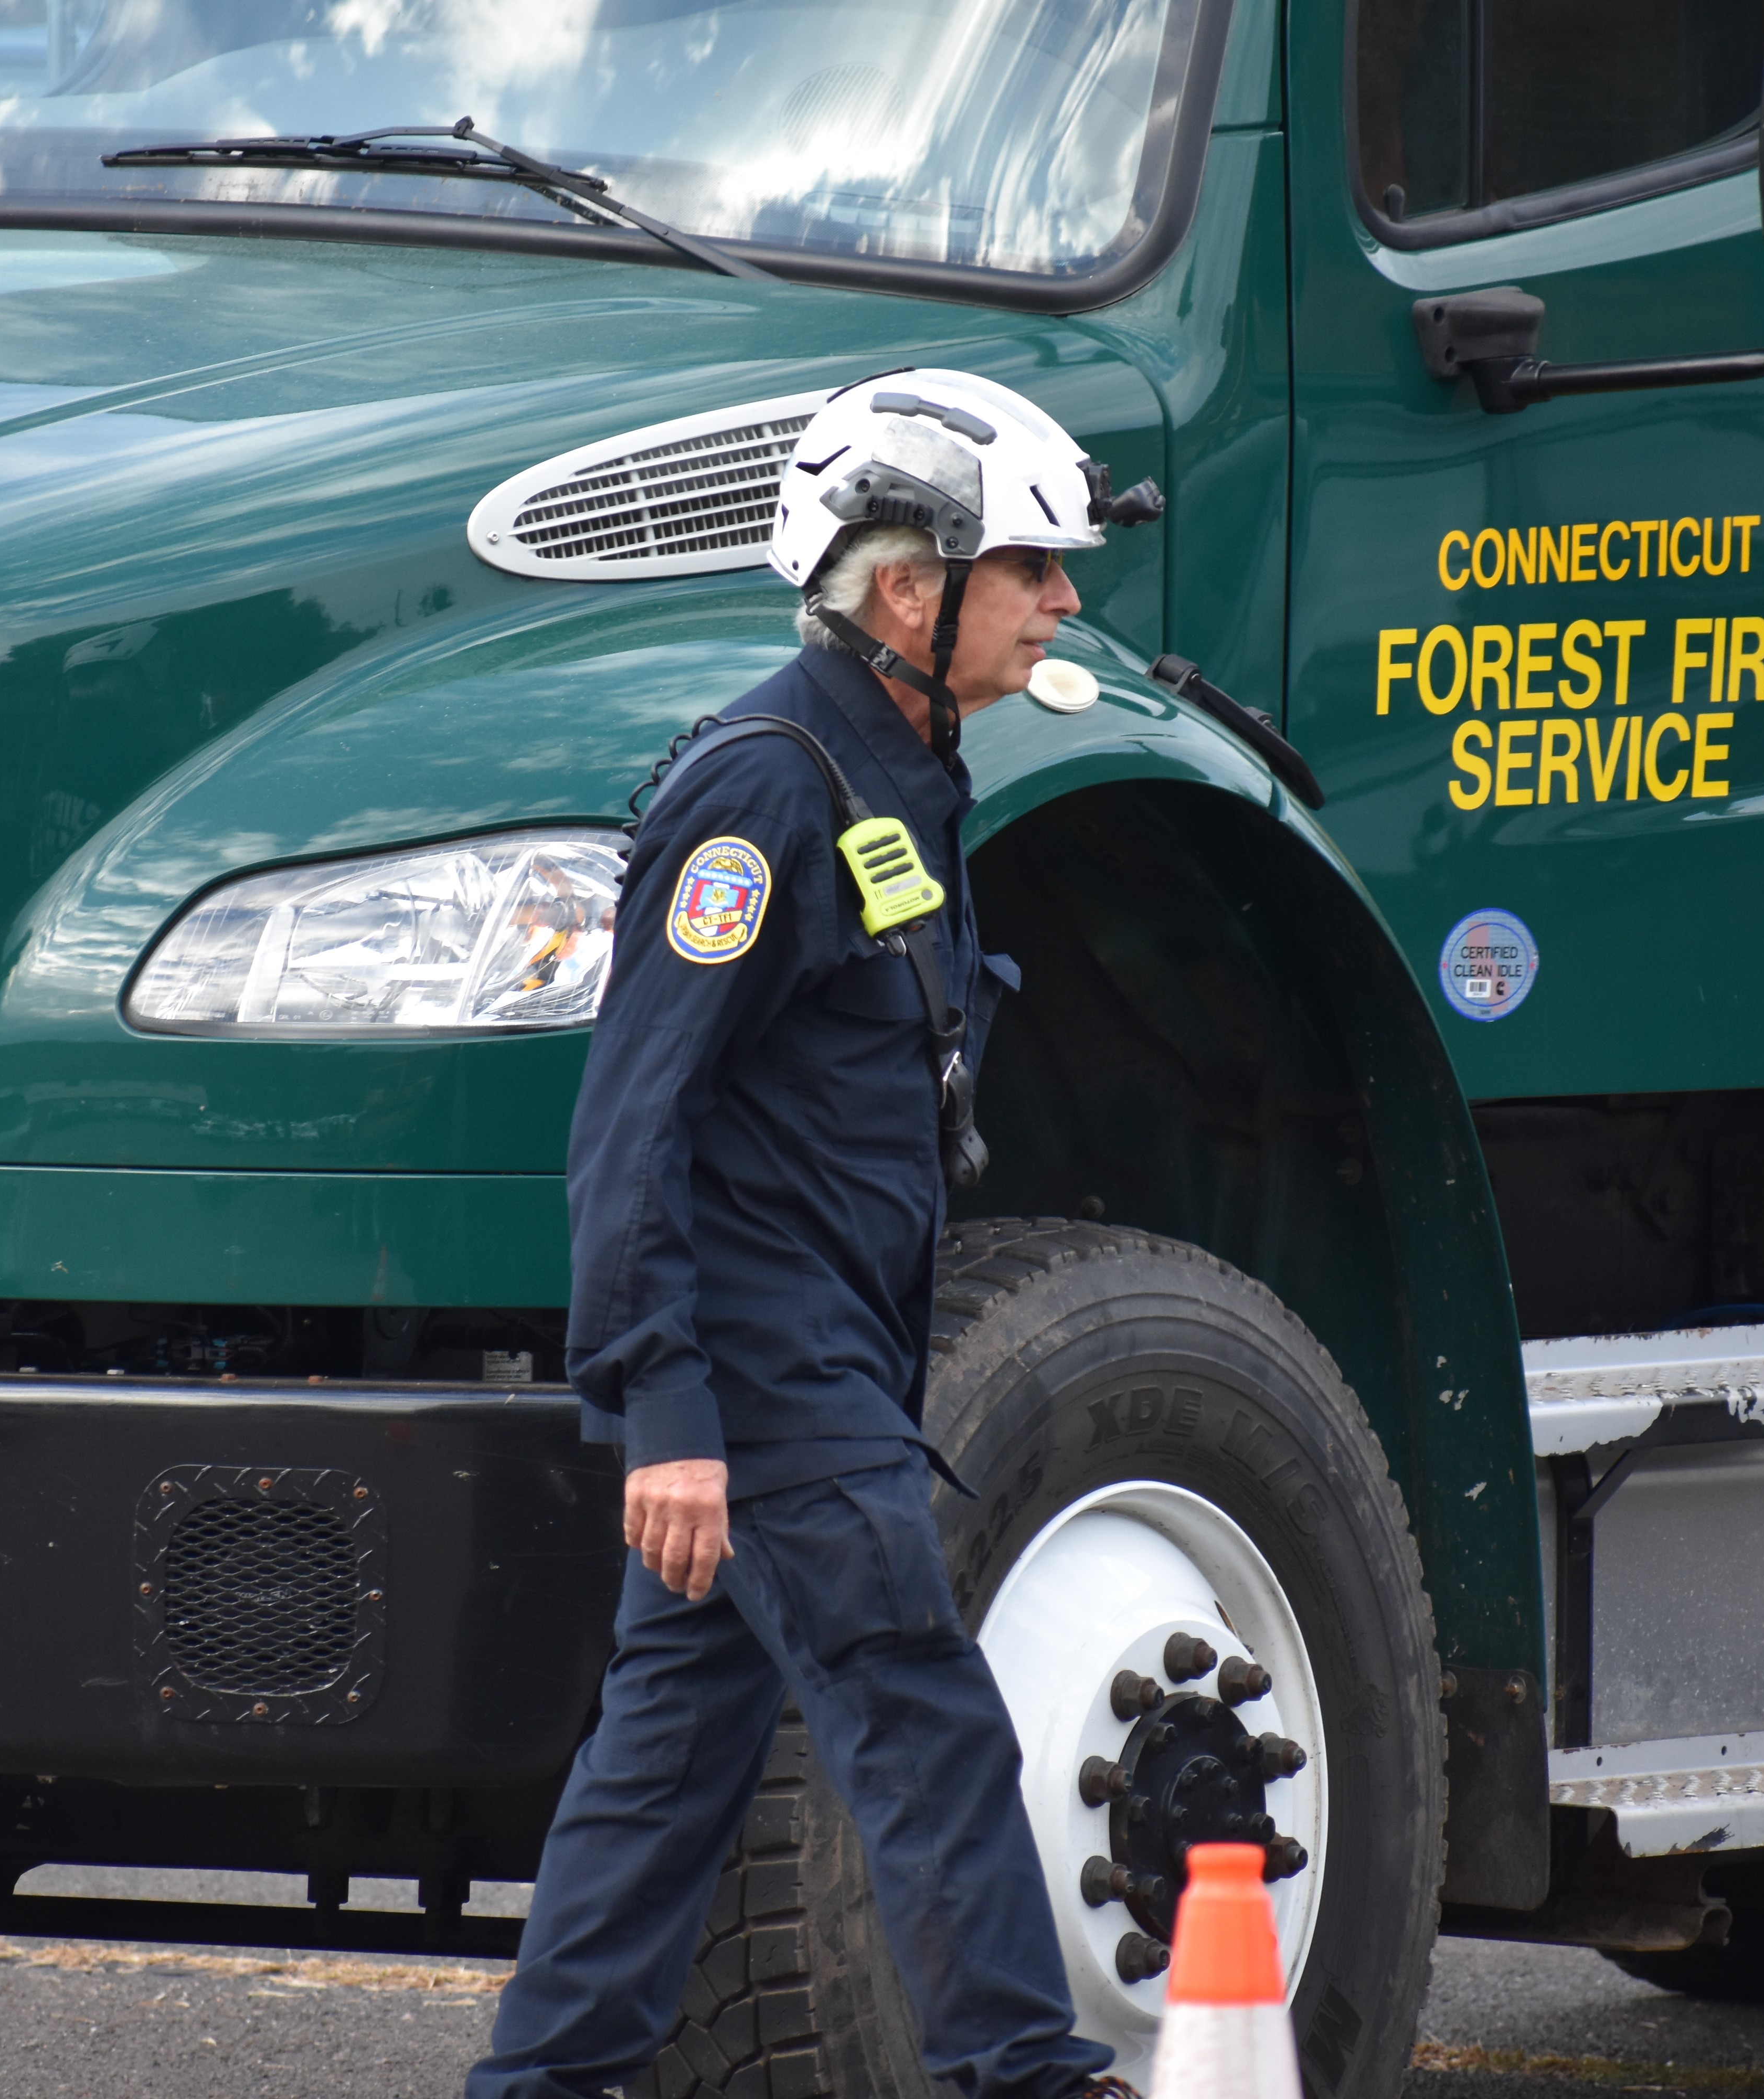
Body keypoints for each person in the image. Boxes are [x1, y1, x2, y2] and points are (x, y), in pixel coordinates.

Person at [466, 371, 1158, 2099]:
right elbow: (634, 1120)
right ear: (910, 588)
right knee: (919, 1705)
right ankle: (1026, 2070)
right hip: (769, 1367)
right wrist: (671, 1416)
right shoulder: (762, 794)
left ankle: (542, 2086)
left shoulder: (902, 775)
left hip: (823, 1344)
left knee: (671, 1756)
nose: (1066, 602)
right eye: (1034, 568)